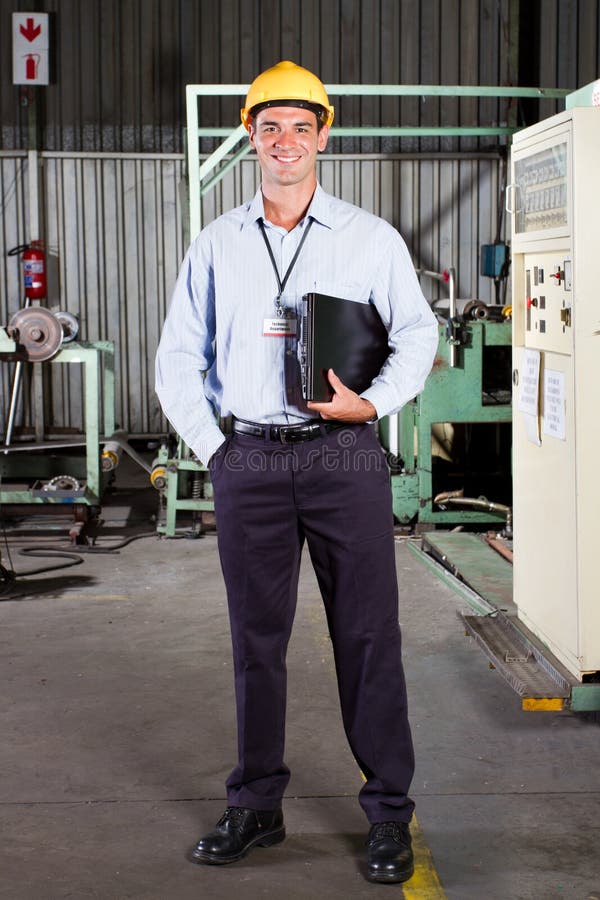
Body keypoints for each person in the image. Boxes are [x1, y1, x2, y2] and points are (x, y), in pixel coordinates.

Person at [155, 60, 438, 885]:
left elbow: (416, 334)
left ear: (325, 134)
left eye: (300, 127)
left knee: (368, 634)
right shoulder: (216, 241)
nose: (285, 141)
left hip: (343, 455)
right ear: (250, 136)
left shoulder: (368, 238)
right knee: (257, 641)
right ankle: (256, 804)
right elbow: (178, 356)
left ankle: (389, 812)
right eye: (269, 127)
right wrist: (217, 451)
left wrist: (373, 404)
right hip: (250, 455)